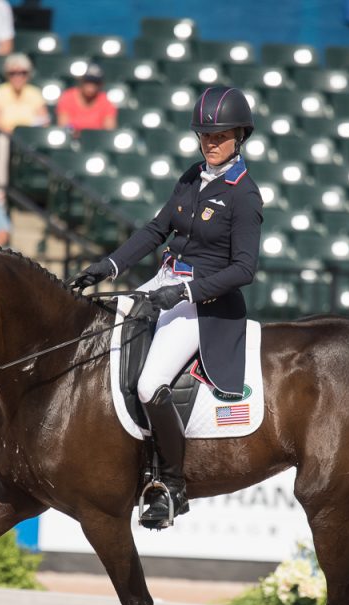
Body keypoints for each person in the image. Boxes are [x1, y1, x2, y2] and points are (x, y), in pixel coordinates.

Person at [66, 86, 263, 529]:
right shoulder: (192, 177)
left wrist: (186, 294)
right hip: (163, 282)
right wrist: (107, 267)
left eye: (220, 136)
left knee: (151, 381)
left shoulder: (244, 195)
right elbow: (156, 230)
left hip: (202, 300)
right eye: (204, 136)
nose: (210, 143)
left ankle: (171, 485)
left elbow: (245, 269)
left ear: (240, 136)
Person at [0, 53, 50, 204]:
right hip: (2, 135)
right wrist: (12, 133)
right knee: (1, 141)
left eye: (22, 73)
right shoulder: (0, 92)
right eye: (13, 73)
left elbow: (44, 122)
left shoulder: (35, 93)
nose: (18, 77)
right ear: (7, 75)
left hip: (28, 138)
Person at [56, 64, 117, 133]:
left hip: (97, 141)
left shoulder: (106, 101)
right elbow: (63, 126)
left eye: (95, 83)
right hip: (73, 139)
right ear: (81, 81)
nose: (91, 86)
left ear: (100, 84)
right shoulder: (67, 97)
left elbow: (109, 130)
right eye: (88, 82)